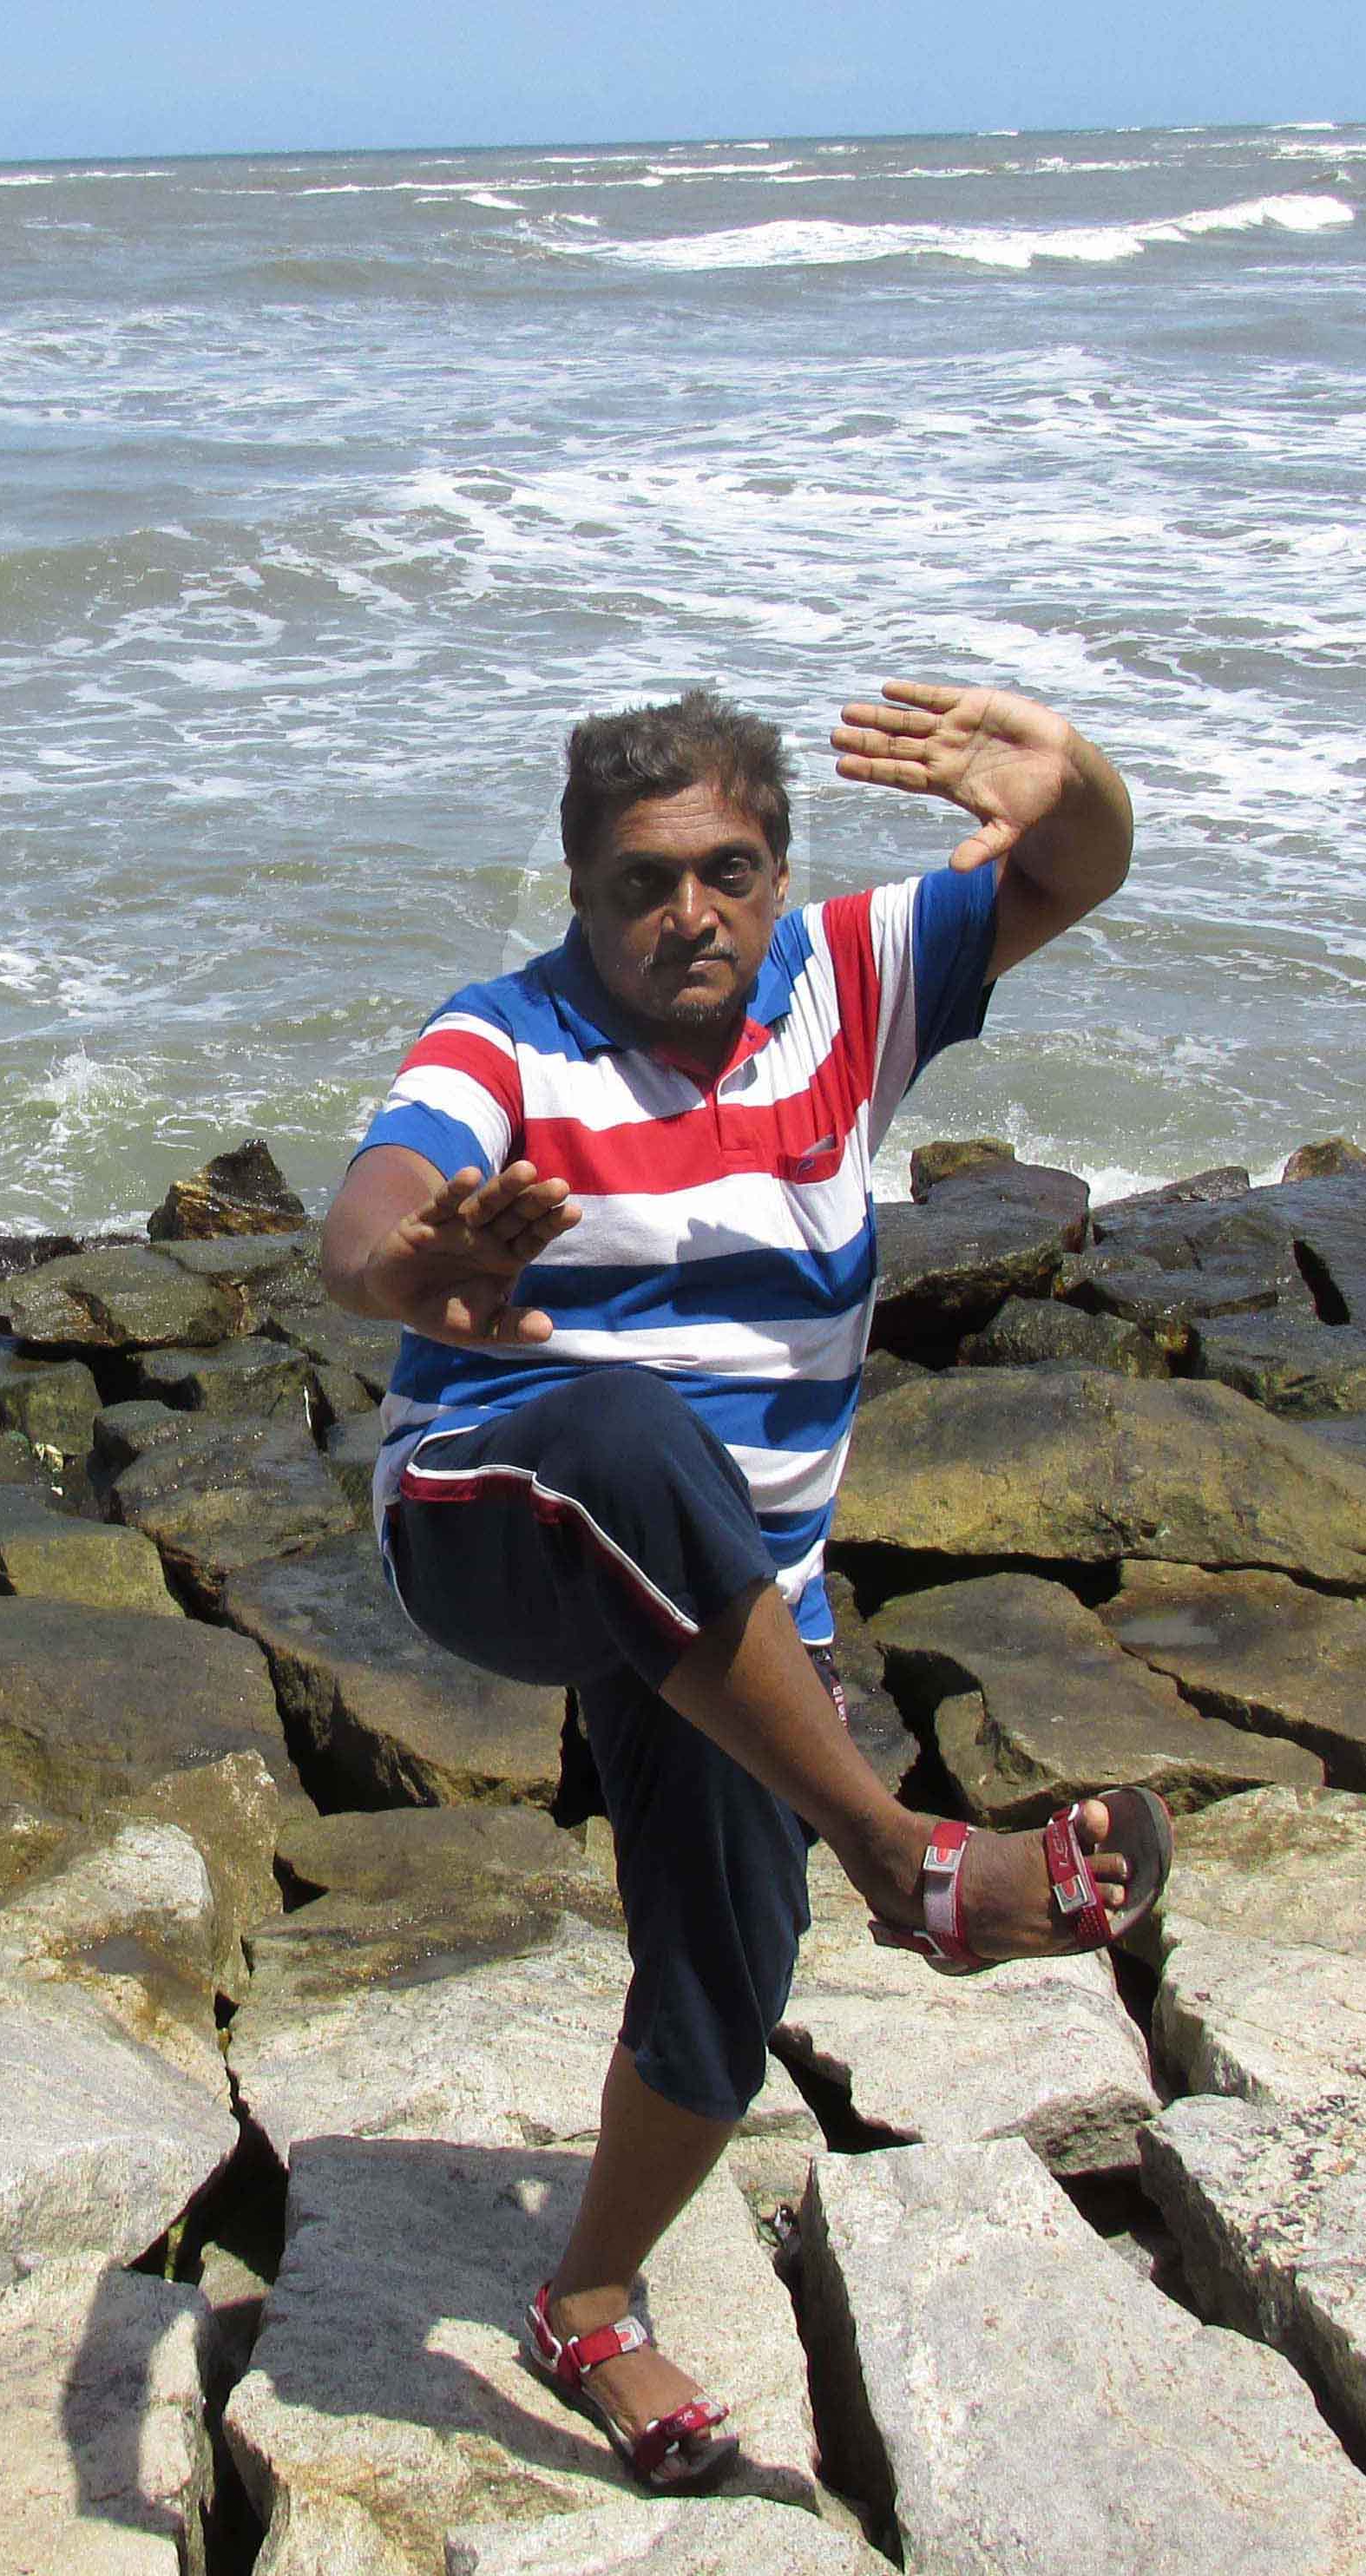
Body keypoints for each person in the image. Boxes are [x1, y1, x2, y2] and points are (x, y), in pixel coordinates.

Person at [321, 677, 1170, 2491]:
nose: (685, 913)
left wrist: (1068, 778)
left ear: (780, 875)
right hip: (499, 1514)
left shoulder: (853, 988)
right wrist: (412, 1275)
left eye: (726, 871)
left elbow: (1075, 863)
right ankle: (909, 1853)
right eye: (640, 882)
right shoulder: (505, 1041)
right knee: (626, 1434)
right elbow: (370, 1202)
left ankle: (593, 2294)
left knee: (723, 1965)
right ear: (576, 891)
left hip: (726, 1594)